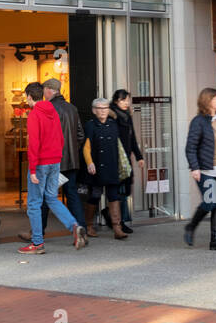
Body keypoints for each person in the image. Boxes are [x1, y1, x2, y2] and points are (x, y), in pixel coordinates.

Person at [18, 80, 87, 255]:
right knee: (51, 198)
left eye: (25, 97)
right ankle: (74, 226)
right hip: (55, 161)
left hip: (41, 163)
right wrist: (56, 156)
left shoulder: (34, 115)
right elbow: (61, 138)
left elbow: (34, 143)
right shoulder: (53, 112)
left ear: (29, 96)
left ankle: (37, 243)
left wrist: (32, 169)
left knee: (34, 203)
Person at [183, 88, 216, 251]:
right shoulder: (198, 121)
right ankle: (191, 227)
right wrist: (195, 168)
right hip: (205, 171)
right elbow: (190, 147)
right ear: (208, 101)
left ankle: (215, 241)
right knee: (210, 202)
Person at [40, 77, 86, 232]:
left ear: (48, 90)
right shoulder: (72, 108)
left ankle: (38, 231)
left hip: (54, 161)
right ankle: (81, 228)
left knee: (46, 196)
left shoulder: (47, 108)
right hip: (72, 162)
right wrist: (72, 150)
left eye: (44, 90)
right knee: (72, 195)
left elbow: (44, 136)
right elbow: (80, 135)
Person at [83, 97, 128, 239]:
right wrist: (89, 162)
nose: (103, 111)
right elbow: (86, 147)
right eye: (100, 108)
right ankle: (89, 225)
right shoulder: (90, 125)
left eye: (105, 108)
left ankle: (117, 228)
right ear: (94, 110)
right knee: (95, 196)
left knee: (114, 196)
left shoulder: (113, 124)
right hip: (96, 168)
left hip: (112, 166)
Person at [109, 89, 144, 235]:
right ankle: (120, 222)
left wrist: (139, 156)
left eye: (127, 100)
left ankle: (110, 214)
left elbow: (132, 137)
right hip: (117, 158)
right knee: (119, 190)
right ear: (116, 101)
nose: (126, 103)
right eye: (123, 100)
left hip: (126, 158)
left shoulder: (127, 116)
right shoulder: (113, 116)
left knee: (127, 188)